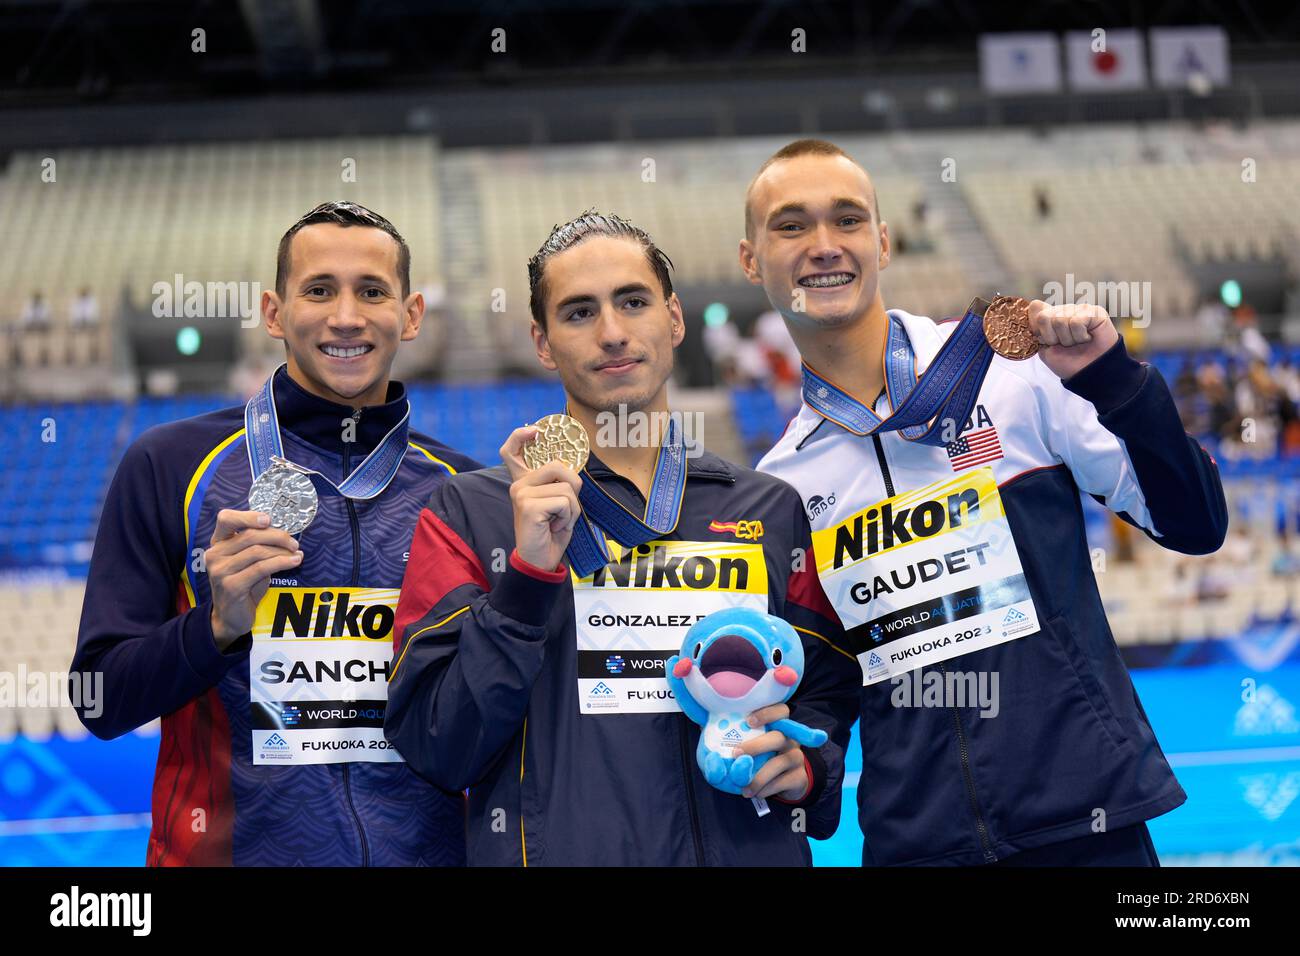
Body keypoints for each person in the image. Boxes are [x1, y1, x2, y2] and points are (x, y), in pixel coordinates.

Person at [738, 139, 1228, 866]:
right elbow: (825, 686)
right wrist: (807, 773)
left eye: (846, 220)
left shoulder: (1009, 375)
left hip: (1086, 826)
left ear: (882, 241)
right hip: (919, 844)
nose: (822, 246)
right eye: (790, 225)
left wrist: (1117, 383)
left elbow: (1195, 524)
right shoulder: (781, 486)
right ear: (751, 260)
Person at [384, 211, 860, 865]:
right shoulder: (471, 513)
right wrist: (526, 578)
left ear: (674, 319)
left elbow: (826, 689)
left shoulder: (767, 507)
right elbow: (440, 745)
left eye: (632, 302)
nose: (611, 334)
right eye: (579, 313)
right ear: (543, 342)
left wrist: (808, 763)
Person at [71, 200, 480, 866]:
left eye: (371, 291)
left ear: (410, 316)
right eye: (319, 290)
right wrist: (217, 628)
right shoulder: (170, 464)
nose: (346, 317)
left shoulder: (459, 489)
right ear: (273, 312)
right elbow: (99, 698)